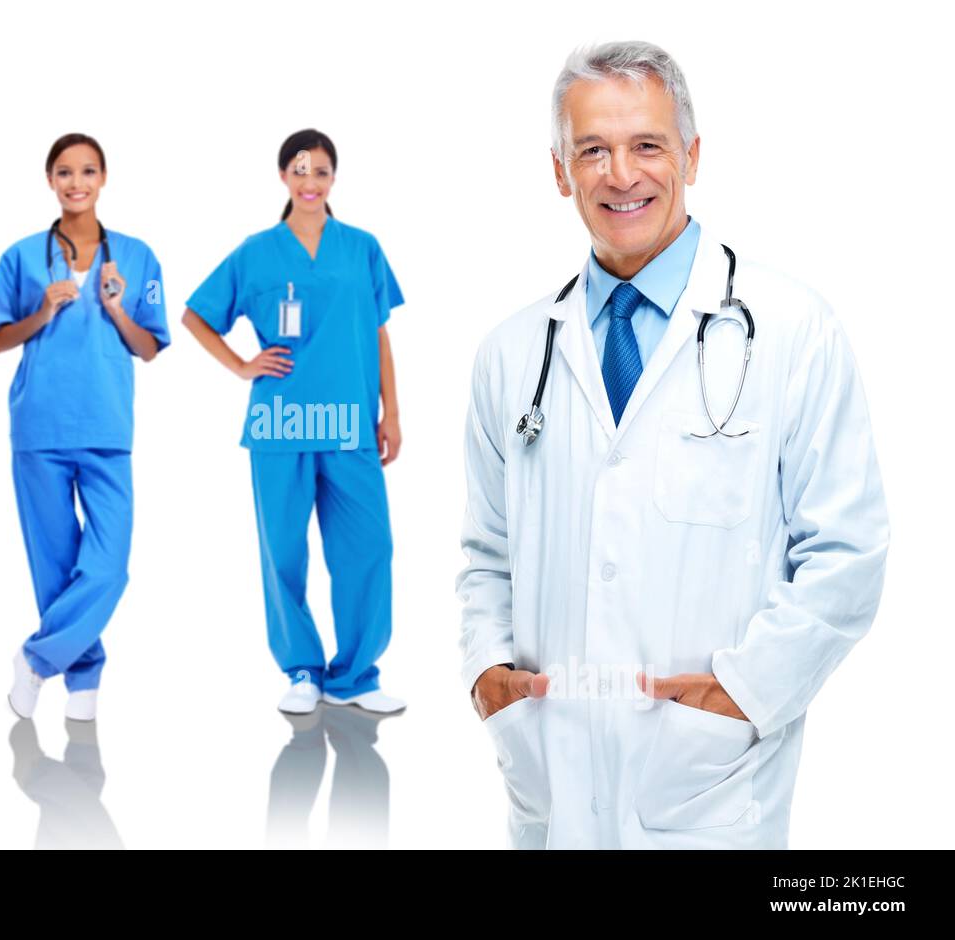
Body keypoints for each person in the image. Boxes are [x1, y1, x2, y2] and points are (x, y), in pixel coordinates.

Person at [457, 41, 889, 849]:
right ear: (559, 170)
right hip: (552, 790)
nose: (621, 174)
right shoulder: (511, 354)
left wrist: (745, 692)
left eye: (647, 145)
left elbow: (847, 552)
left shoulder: (793, 331)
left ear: (691, 155)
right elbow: (487, 552)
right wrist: (487, 673)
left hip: (711, 793)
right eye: (593, 149)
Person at [183, 129, 406, 716]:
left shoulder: (361, 248)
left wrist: (392, 412)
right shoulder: (256, 252)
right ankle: (303, 670)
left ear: (334, 178)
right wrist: (241, 365)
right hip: (280, 423)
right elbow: (196, 315)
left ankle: (355, 676)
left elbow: (379, 333)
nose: (311, 182)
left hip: (351, 424)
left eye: (321, 171)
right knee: (283, 553)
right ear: (283, 176)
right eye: (300, 171)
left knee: (369, 549)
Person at [0, 133, 170, 722]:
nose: (76, 183)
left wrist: (116, 309)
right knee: (55, 566)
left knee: (107, 567)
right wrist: (42, 311)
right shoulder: (22, 256)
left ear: (103, 178)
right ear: (50, 181)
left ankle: (36, 660)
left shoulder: (136, 257)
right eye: (64, 172)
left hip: (107, 427)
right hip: (41, 426)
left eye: (87, 171)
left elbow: (149, 348)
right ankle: (83, 681)